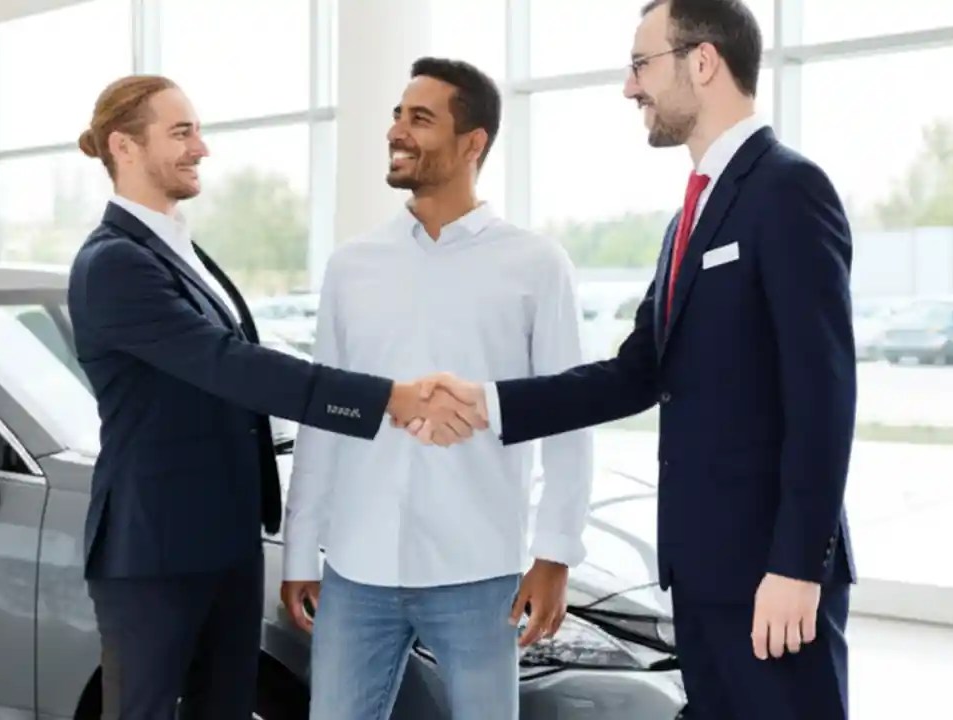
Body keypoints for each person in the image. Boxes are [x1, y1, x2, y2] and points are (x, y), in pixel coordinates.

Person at [409, 2, 857, 718]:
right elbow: (637, 372)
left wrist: (798, 566)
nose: (630, 88)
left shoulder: (787, 190)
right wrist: (487, 403)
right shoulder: (690, 216)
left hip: (770, 576)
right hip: (703, 572)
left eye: (641, 64)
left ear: (702, 62)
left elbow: (824, 393)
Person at [66, 74, 486, 720]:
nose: (200, 149)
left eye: (198, 132)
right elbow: (232, 367)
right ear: (124, 147)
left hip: (224, 541)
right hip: (154, 551)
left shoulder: (178, 247)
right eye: (181, 133)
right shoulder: (114, 263)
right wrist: (386, 399)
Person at [279, 57, 593, 720]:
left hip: (479, 572)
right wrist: (300, 548)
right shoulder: (352, 265)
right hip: (357, 571)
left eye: (420, 118)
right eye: (397, 114)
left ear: (472, 142)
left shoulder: (536, 265)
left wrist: (556, 554)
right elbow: (324, 413)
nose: (397, 130)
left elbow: (569, 418)